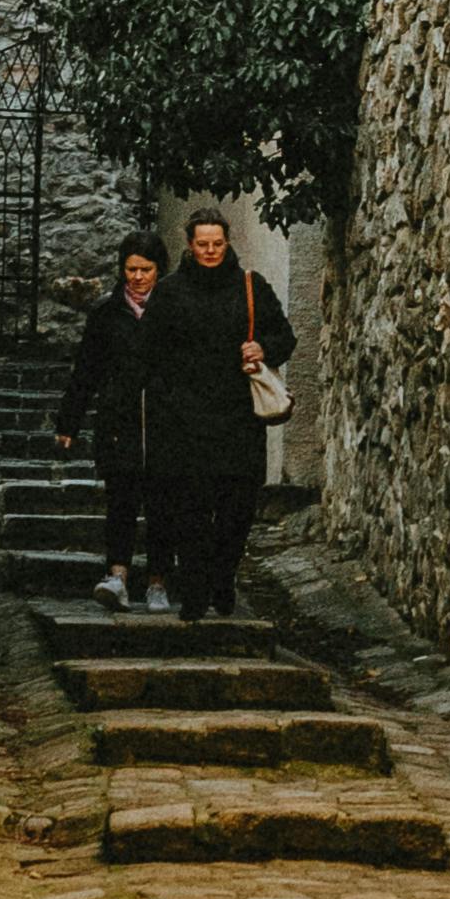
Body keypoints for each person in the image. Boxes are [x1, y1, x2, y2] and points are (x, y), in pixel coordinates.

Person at [136, 205, 289, 625]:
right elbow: (147, 352)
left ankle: (223, 576)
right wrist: (166, 397)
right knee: (190, 511)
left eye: (217, 244)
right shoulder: (169, 292)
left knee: (236, 510)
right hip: (186, 422)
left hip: (239, 419)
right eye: (202, 244)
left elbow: (284, 336)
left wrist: (263, 349)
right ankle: (195, 593)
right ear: (189, 245)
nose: (209, 251)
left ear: (227, 243)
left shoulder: (250, 287)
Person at [51, 236, 160, 606]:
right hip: (119, 423)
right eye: (132, 269)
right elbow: (86, 372)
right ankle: (118, 578)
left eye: (146, 269)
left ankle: (159, 582)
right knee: (121, 501)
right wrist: (69, 423)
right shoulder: (106, 315)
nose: (138, 277)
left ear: (158, 270)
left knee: (164, 502)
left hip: (165, 422)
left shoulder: (172, 310)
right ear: (121, 270)